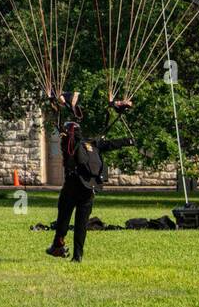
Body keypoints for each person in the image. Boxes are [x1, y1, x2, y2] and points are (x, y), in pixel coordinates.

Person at [46, 108, 135, 263]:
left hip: (72, 187)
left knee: (63, 217)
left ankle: (58, 244)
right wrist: (129, 141)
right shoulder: (93, 144)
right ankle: (77, 256)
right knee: (81, 223)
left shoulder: (69, 142)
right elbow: (112, 144)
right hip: (90, 187)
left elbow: (59, 127)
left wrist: (56, 106)